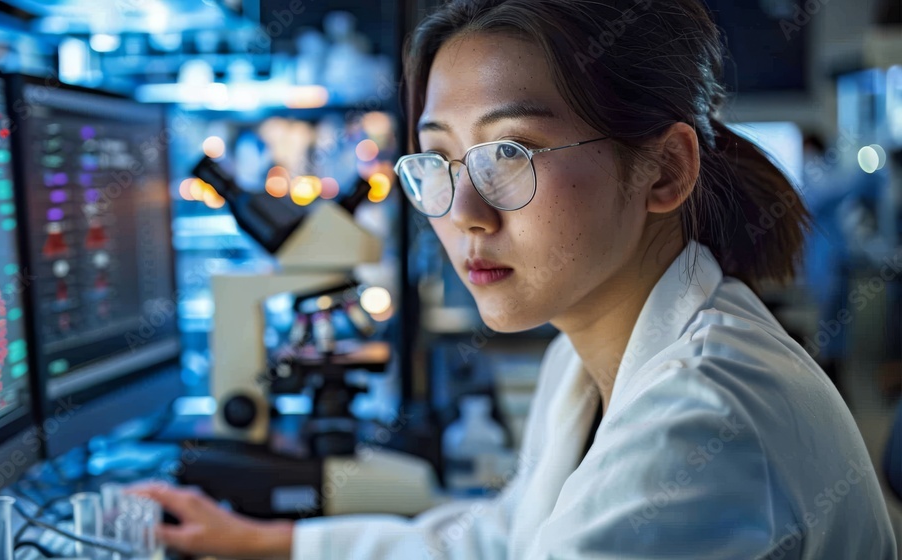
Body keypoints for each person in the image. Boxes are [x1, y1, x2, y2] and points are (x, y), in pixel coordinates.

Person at [131, 0, 899, 558]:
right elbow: (503, 538)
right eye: (437, 157)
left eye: (510, 154)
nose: (462, 210)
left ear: (664, 171)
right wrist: (266, 543)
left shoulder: (699, 422)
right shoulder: (593, 347)